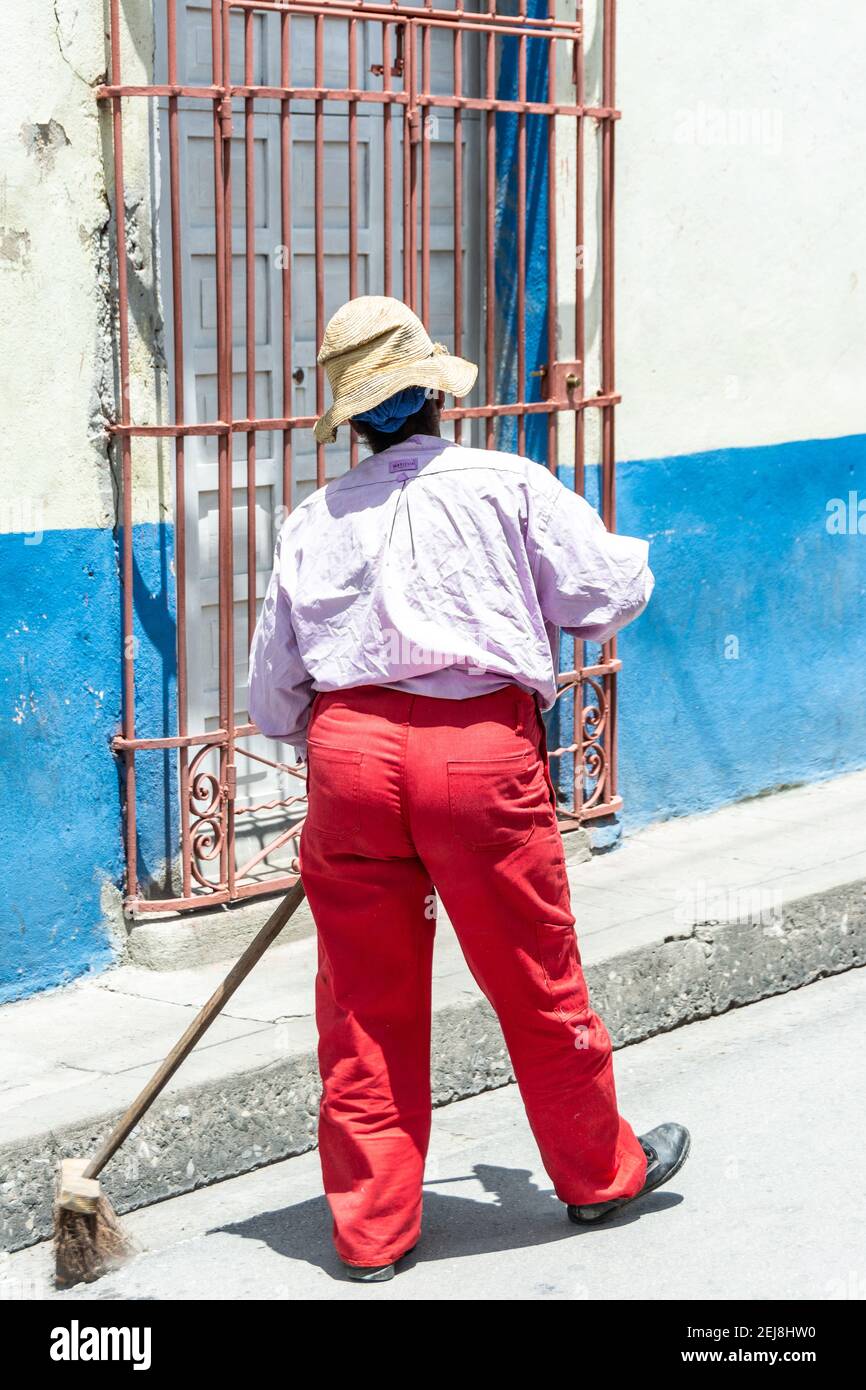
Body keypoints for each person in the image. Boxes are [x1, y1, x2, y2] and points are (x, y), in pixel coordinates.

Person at [248, 295, 689, 1282]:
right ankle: (597, 1172)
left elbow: (272, 700)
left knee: (361, 1005)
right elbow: (607, 594)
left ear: (354, 416)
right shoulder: (506, 486)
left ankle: (370, 1233)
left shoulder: (311, 521)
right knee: (535, 979)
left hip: (352, 766)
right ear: (437, 393)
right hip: (478, 758)